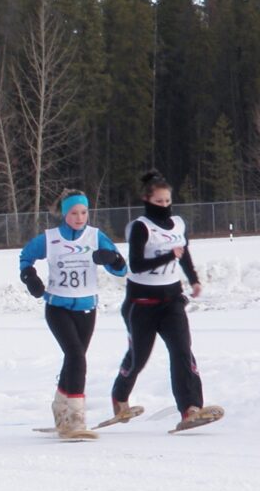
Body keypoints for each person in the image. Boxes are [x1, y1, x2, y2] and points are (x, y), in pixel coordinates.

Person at [109, 171, 224, 432]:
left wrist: (193, 280)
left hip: (171, 300)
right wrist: (167, 256)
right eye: (158, 201)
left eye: (167, 201)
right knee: (139, 358)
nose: (163, 206)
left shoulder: (179, 224)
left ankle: (191, 408)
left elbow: (183, 255)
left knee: (182, 352)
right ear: (147, 200)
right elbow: (136, 265)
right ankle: (120, 396)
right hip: (141, 302)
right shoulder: (140, 227)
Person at [17, 189, 127, 438]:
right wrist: (30, 276)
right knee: (77, 357)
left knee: (73, 359)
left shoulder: (95, 236)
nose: (80, 217)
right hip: (57, 308)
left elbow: (121, 269)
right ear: (65, 214)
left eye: (84, 212)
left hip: (87, 309)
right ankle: (76, 417)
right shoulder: (51, 238)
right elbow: (26, 256)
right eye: (74, 213)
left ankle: (60, 406)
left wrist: (113, 259)